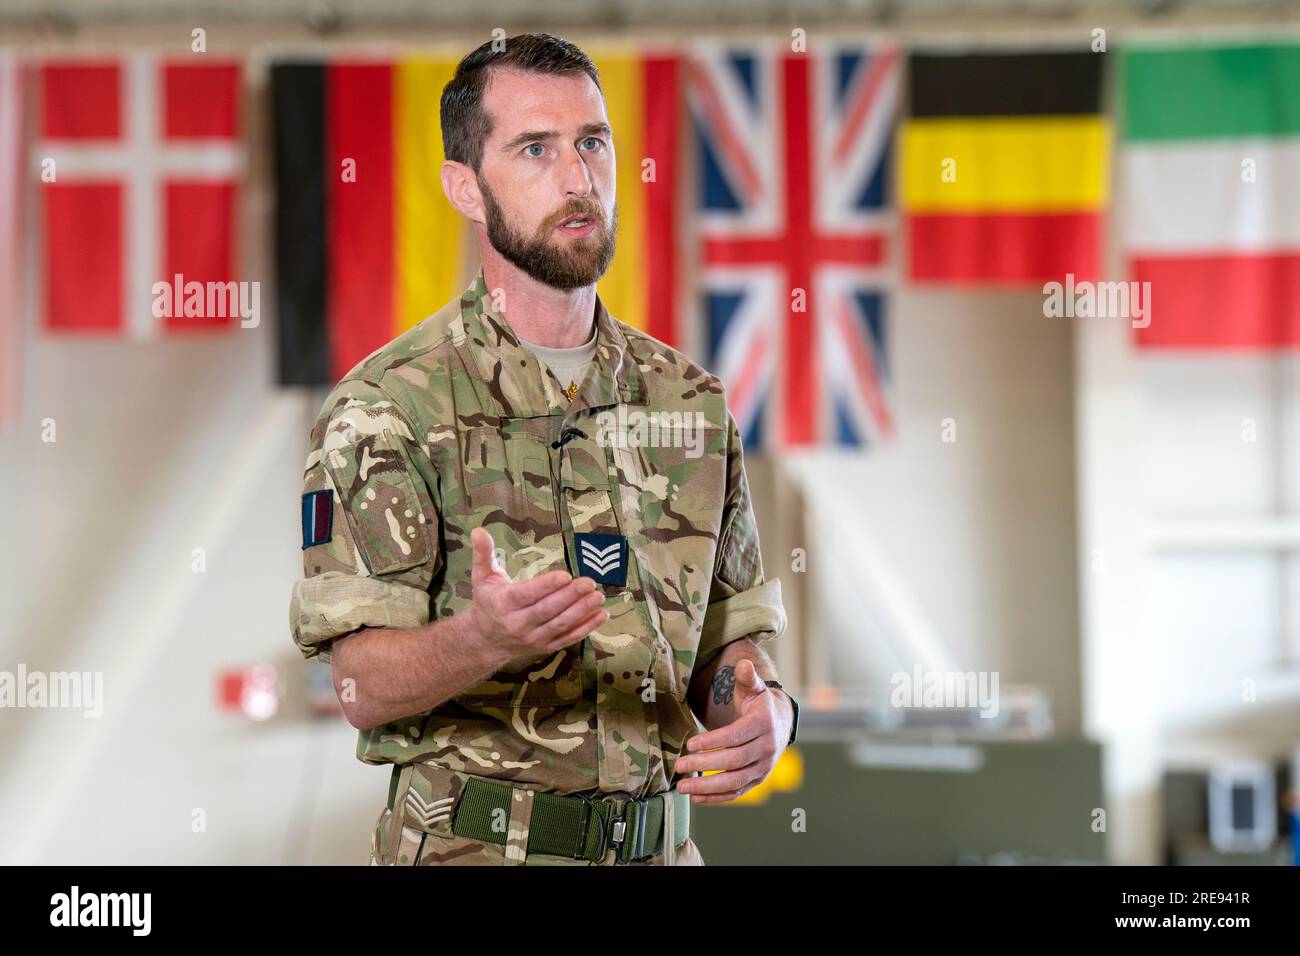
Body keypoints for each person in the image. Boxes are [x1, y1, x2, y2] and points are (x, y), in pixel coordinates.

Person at [289, 32, 797, 866]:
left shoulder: (693, 406)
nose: (578, 178)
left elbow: (724, 644)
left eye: (592, 143)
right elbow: (358, 686)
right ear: (466, 188)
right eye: (535, 149)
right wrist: (479, 641)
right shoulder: (387, 408)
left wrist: (766, 709)